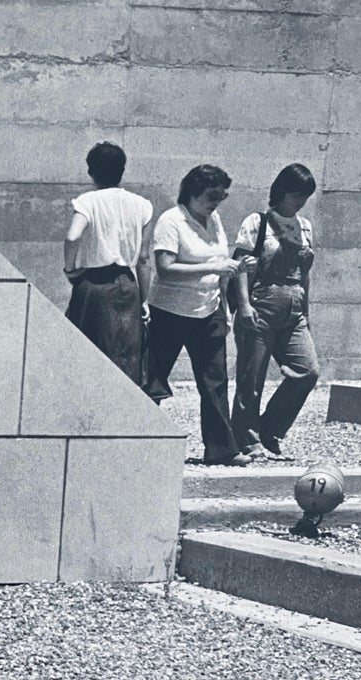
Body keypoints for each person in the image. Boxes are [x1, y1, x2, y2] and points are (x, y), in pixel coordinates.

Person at [146, 165, 253, 467]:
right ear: (192, 193)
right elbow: (165, 269)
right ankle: (137, 439)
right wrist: (213, 268)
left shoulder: (213, 220)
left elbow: (221, 262)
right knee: (153, 379)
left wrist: (226, 306)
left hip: (209, 310)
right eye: (211, 196)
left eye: (221, 197)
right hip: (170, 313)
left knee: (215, 382)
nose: (216, 203)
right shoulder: (171, 221)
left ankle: (221, 450)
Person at [230, 163, 319, 459]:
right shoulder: (258, 222)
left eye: (305, 196)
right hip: (261, 305)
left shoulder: (305, 227)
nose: (301, 201)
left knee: (307, 371)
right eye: (297, 195)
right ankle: (247, 438)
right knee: (251, 377)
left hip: (294, 309)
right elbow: (241, 266)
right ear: (282, 192)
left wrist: (306, 312)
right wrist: (244, 305)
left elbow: (305, 274)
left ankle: (270, 429)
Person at [63, 142, 153, 386]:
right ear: (122, 170)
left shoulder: (87, 201)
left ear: (91, 171)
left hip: (94, 284)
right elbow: (144, 258)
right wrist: (144, 299)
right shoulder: (142, 205)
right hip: (128, 284)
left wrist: (70, 269)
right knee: (126, 352)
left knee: (89, 349)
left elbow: (73, 237)